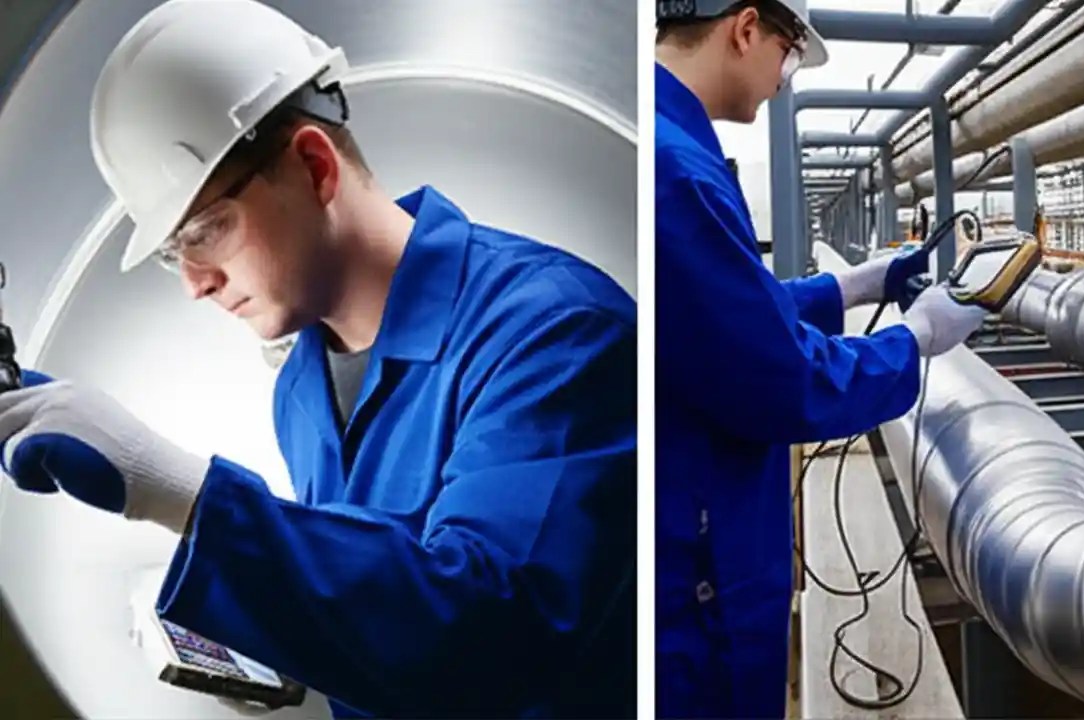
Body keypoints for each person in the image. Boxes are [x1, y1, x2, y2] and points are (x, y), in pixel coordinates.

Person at [0, 1, 636, 717]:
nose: (195, 283)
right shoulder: (302, 384)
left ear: (312, 165)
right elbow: (375, 598)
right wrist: (278, 634)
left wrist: (181, 491)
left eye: (205, 232)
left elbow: (485, 631)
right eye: (174, 253)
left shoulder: (555, 332)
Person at [654, 0, 988, 717]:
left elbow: (727, 315)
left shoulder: (670, 148)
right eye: (790, 53)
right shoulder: (675, 172)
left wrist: (854, 284)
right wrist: (915, 338)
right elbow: (779, 376)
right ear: (746, 30)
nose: (784, 76)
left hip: (696, 527)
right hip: (699, 567)